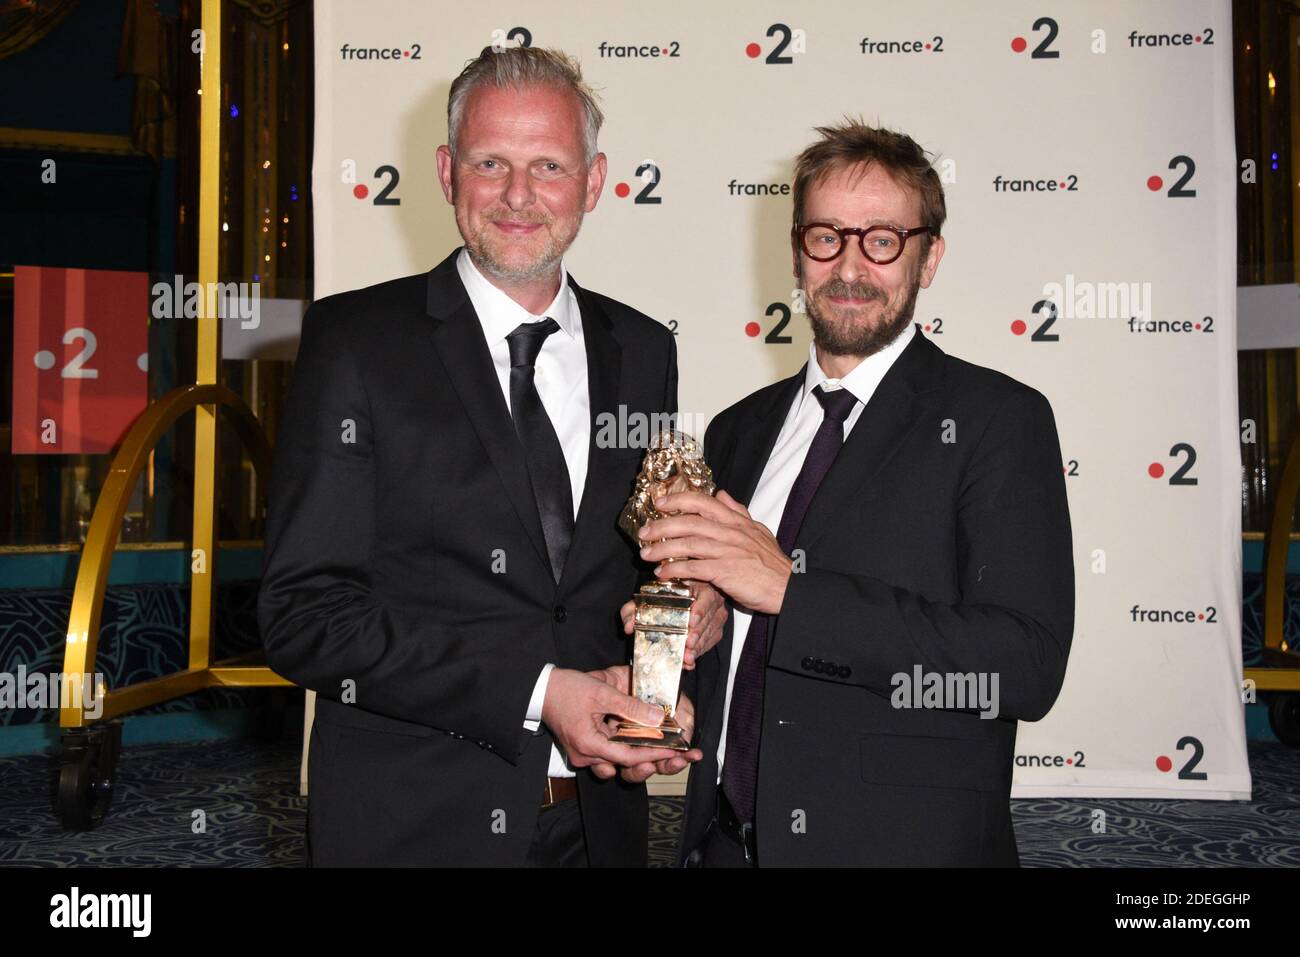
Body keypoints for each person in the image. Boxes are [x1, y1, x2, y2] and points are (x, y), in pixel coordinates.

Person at [258, 45, 719, 867]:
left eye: (548, 165)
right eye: (489, 162)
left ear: (595, 179)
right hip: (414, 824)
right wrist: (542, 692)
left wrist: (694, 609)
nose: (517, 195)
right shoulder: (357, 342)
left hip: (601, 821)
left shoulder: (644, 349)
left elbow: (633, 569)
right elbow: (304, 616)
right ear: (445, 171)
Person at [635, 121, 1075, 866]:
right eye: (825, 237)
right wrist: (698, 642)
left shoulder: (998, 419)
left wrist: (789, 590)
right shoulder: (740, 431)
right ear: (797, 254)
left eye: (882, 239)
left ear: (928, 257)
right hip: (722, 845)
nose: (848, 265)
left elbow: (1022, 665)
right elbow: (747, 651)